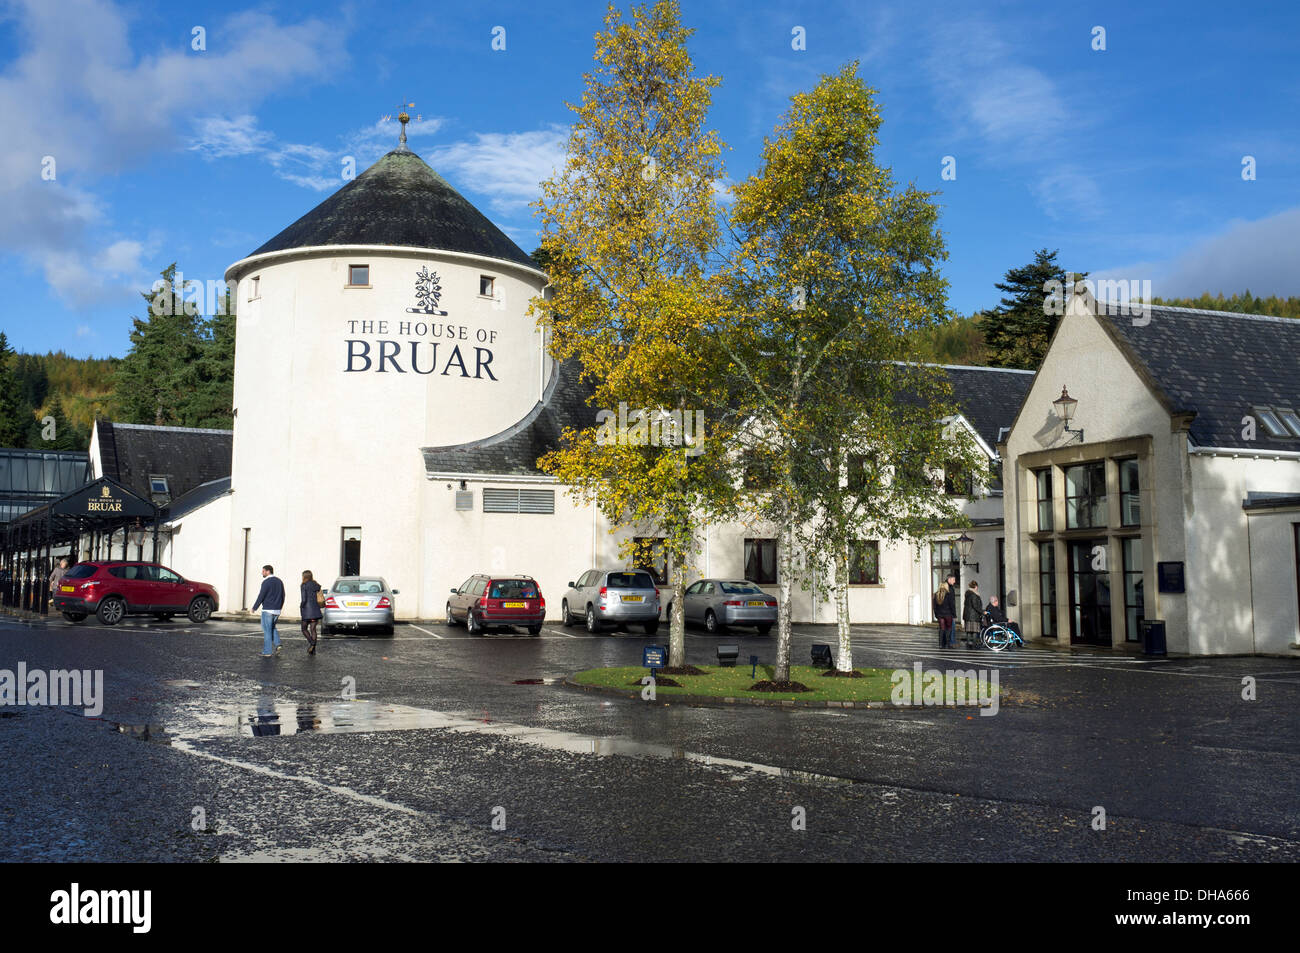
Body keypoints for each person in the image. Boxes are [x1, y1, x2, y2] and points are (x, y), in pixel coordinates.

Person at [251, 564, 285, 657]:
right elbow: (283, 595)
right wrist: (280, 607)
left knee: (267, 631)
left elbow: (261, 595)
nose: (262, 573)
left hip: (268, 610)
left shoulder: (266, 582)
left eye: (263, 571)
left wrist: (255, 607)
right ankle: (278, 644)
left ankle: (267, 652)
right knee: (272, 627)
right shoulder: (279, 581)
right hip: (277, 610)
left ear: (268, 571)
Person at [300, 570, 323, 654]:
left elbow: (304, 599)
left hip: (307, 610)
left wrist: (301, 606)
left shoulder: (304, 585)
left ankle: (312, 643)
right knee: (313, 630)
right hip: (316, 610)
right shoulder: (316, 585)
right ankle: (313, 649)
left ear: (304, 576)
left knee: (304, 628)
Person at [934, 574, 958, 648]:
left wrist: (936, 614)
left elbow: (935, 605)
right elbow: (952, 604)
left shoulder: (937, 594)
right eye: (953, 580)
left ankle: (941, 644)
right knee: (949, 628)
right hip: (948, 614)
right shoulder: (948, 592)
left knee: (942, 628)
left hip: (940, 615)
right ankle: (948, 643)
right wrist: (954, 614)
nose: (954, 582)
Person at [962, 580, 984, 649]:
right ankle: (974, 644)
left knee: (969, 631)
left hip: (967, 615)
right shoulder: (974, 594)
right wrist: (982, 612)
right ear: (976, 586)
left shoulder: (968, 593)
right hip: (974, 616)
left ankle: (969, 644)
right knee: (975, 631)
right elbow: (975, 606)